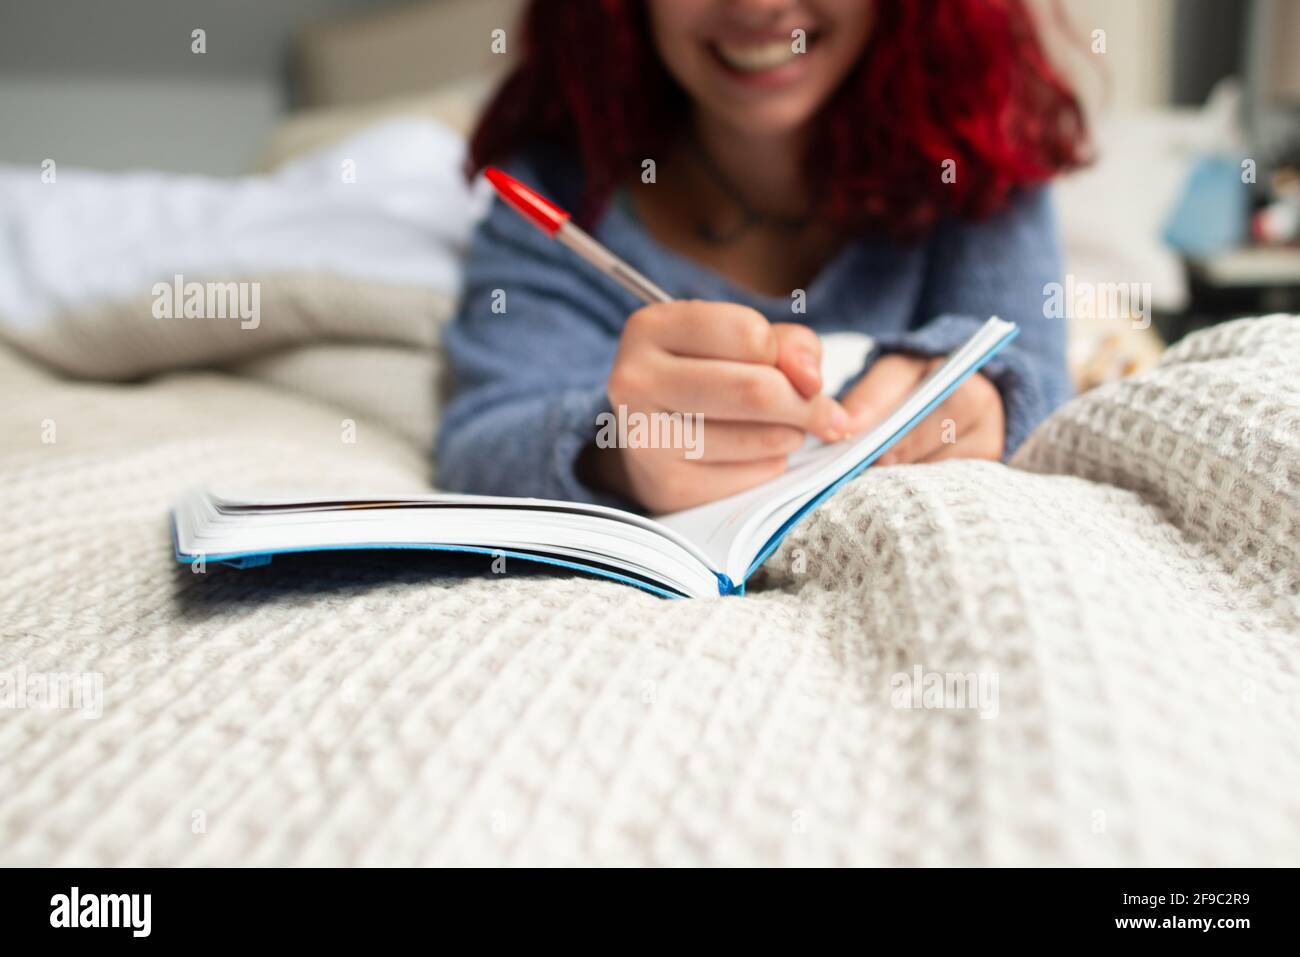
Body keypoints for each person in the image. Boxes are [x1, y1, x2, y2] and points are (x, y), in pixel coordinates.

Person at [439, 0, 1087, 513]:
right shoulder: (555, 191)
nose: (760, 5)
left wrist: (985, 396)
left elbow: (1035, 373)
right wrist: (616, 451)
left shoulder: (975, 144)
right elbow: (477, 445)